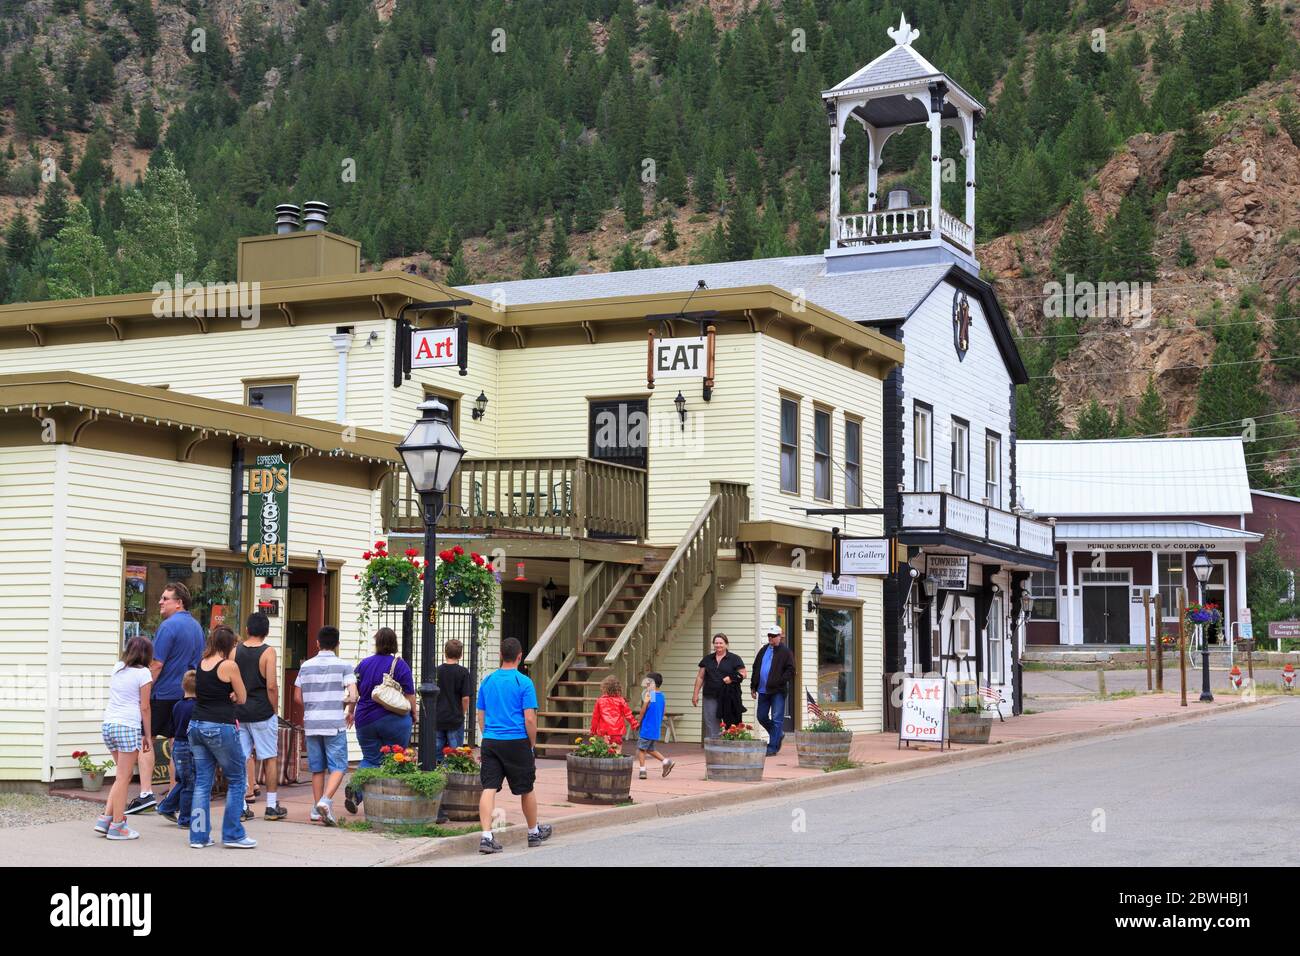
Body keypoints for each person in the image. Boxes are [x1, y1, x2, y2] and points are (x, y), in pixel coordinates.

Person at [127, 581, 203, 815]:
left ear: (179, 603)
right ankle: (174, 794)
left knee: (145, 739)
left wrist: (145, 690)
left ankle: (146, 793)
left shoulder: (168, 627)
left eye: (165, 598)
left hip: (164, 694)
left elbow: (157, 664)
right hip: (188, 695)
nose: (160, 601)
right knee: (177, 743)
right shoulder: (197, 628)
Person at [476, 637, 551, 854]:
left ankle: (487, 836)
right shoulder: (524, 682)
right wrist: (532, 743)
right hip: (517, 740)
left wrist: (487, 735)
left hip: (491, 739)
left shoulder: (487, 681)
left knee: (489, 787)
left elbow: (481, 715)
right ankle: (533, 832)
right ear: (519, 657)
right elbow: (529, 718)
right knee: (526, 788)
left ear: (500, 655)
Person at [188, 626, 255, 849]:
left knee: (202, 783)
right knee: (237, 779)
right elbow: (243, 697)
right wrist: (234, 695)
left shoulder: (202, 663)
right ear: (229, 645)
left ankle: (198, 836)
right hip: (220, 726)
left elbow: (206, 692)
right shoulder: (229, 665)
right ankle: (233, 834)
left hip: (196, 725)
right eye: (234, 645)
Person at [345, 627, 416, 815]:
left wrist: (351, 712)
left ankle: (356, 790)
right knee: (395, 759)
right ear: (394, 643)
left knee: (370, 758)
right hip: (394, 720)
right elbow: (410, 695)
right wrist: (414, 714)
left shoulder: (363, 664)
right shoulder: (400, 665)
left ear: (377, 642)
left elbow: (354, 692)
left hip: (365, 719)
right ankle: (390, 801)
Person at [294, 626, 357, 827]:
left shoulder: (305, 666)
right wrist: (348, 707)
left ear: (317, 643)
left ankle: (315, 809)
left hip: (312, 722)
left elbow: (297, 696)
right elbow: (353, 694)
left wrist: (314, 706)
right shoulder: (344, 666)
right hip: (333, 722)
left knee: (317, 768)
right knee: (339, 766)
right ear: (337, 644)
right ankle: (326, 801)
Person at [95, 637, 153, 841]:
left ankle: (105, 819)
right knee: (123, 778)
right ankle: (118, 825)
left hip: (109, 725)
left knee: (121, 776)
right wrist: (147, 735)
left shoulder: (117, 667)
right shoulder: (144, 673)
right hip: (128, 726)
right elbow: (145, 707)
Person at [235, 612, 284, 822]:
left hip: (239, 710)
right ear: (266, 632)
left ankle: (242, 804)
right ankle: (271, 806)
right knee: (269, 757)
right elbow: (271, 685)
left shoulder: (234, 651)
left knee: (241, 757)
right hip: (262, 710)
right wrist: (275, 709)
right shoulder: (268, 652)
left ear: (247, 629)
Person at [158, 670, 196, 828]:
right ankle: (185, 819)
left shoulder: (177, 705)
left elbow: (172, 728)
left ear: (182, 686)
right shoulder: (197, 707)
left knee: (183, 780)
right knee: (190, 784)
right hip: (189, 746)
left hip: (178, 745)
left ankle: (166, 807)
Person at [751, 623, 796, 756]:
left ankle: (772, 747)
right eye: (769, 635)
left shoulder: (786, 651)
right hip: (763, 690)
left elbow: (791, 670)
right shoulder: (764, 649)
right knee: (761, 716)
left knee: (777, 718)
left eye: (773, 636)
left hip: (777, 691)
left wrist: (780, 681)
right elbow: (756, 668)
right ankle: (778, 734)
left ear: (780, 636)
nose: (770, 638)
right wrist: (753, 686)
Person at [692, 633, 747, 738]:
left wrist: (731, 678)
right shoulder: (707, 659)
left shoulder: (734, 658)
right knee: (711, 721)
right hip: (710, 694)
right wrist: (695, 694)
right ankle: (714, 745)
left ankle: (730, 744)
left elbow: (744, 674)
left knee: (731, 721)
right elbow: (700, 677)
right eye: (716, 643)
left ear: (726, 644)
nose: (718, 645)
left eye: (721, 643)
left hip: (729, 695)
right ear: (713, 644)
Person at [434, 639, 471, 761]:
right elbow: (465, 697)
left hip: (438, 717)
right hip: (455, 717)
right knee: (455, 754)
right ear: (461, 655)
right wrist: (462, 713)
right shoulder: (463, 672)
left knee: (436, 751)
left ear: (445, 653)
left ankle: (436, 773)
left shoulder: (436, 671)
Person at [635, 673, 674, 780]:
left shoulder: (650, 695)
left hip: (647, 727)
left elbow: (643, 710)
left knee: (641, 749)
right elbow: (663, 711)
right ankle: (666, 762)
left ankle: (642, 770)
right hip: (655, 727)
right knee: (650, 749)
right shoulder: (661, 696)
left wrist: (638, 721)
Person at [589, 674, 636, 744]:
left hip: (604, 731)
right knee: (617, 749)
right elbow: (628, 714)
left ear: (604, 688)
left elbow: (595, 717)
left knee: (605, 750)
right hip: (617, 730)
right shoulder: (621, 700)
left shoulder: (600, 701)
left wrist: (593, 730)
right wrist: (634, 724)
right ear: (618, 688)